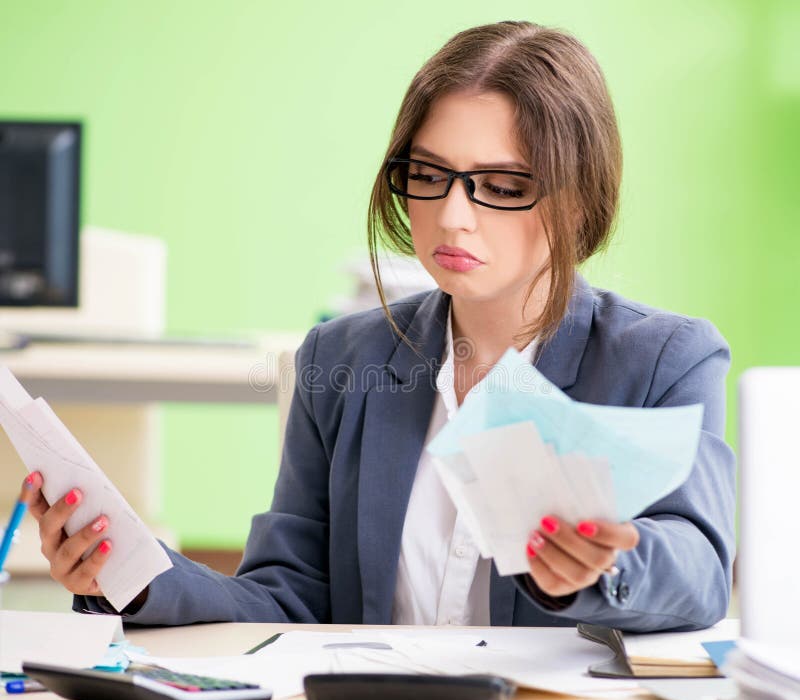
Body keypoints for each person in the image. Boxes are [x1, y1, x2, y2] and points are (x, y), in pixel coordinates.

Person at [24, 20, 735, 631]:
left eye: (501, 186)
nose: (452, 216)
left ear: (577, 198)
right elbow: (287, 596)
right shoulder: (340, 359)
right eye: (427, 174)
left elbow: (700, 573)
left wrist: (607, 563)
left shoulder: (664, 358)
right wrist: (134, 574)